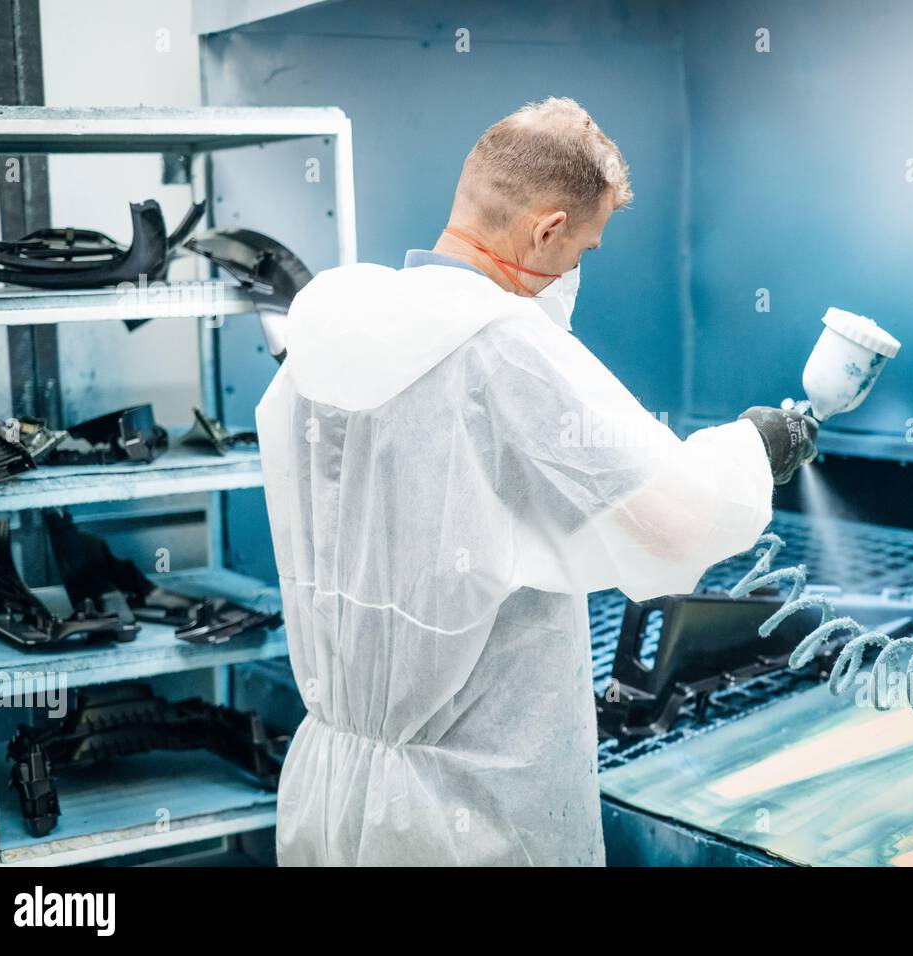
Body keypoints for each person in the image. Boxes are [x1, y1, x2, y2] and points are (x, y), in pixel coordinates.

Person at [256, 97, 818, 866]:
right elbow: (678, 523)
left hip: (336, 780)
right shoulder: (504, 348)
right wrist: (753, 449)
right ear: (547, 228)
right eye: (583, 249)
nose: (574, 270)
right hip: (466, 813)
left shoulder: (331, 330)